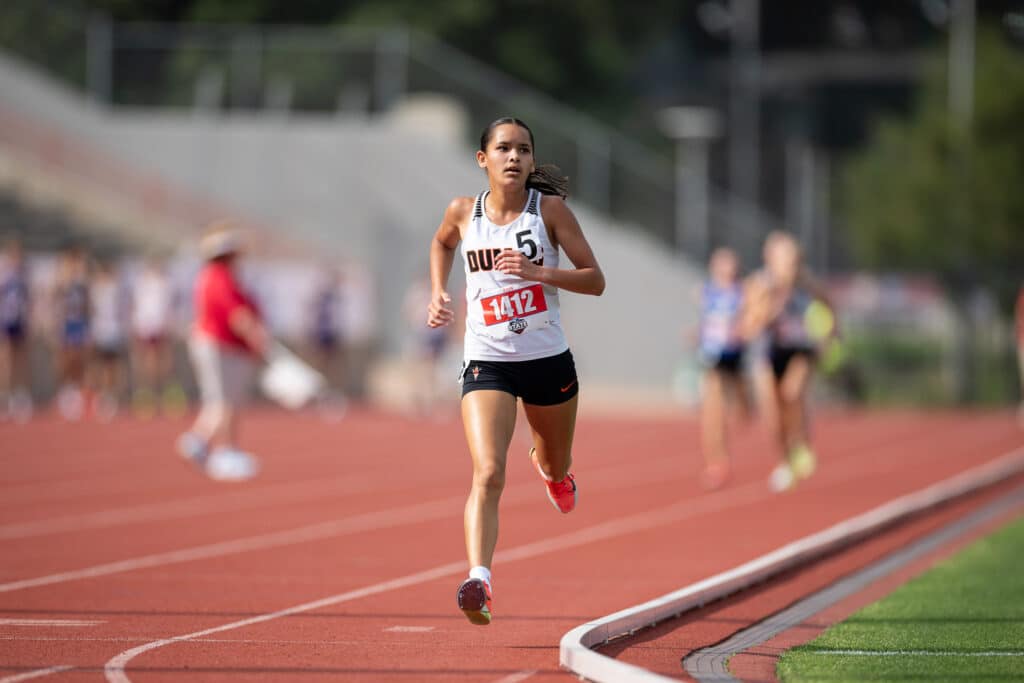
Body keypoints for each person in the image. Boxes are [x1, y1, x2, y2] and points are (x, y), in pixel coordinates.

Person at [427, 117, 605, 625]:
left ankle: (552, 472)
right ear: (482, 159)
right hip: (488, 361)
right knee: (487, 471)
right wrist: (438, 291)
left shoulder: (548, 211)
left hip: (548, 362)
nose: (514, 157)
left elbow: (595, 280)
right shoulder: (463, 212)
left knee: (554, 462)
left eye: (523, 150)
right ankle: (478, 579)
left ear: (531, 161)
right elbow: (441, 243)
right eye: (503, 148)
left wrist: (539, 272)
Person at [741, 231, 835, 492]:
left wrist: (830, 335)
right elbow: (748, 326)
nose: (791, 267)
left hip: (800, 349)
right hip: (767, 352)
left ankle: (802, 441)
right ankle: (785, 460)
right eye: (785, 261)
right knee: (773, 416)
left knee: (792, 392)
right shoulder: (759, 285)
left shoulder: (808, 284)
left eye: (795, 261)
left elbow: (828, 307)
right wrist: (770, 309)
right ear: (771, 260)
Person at [176, 222, 268, 479]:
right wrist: (256, 335)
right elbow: (236, 315)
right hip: (219, 345)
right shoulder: (218, 277)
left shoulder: (219, 276)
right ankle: (223, 452)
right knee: (224, 401)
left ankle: (199, 442)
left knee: (224, 400)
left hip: (224, 345)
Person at [695, 247, 750, 490]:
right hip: (713, 356)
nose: (726, 269)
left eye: (730, 264)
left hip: (736, 356)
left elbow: (750, 320)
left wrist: (743, 329)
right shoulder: (705, 292)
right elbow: (706, 322)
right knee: (712, 410)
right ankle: (717, 461)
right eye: (721, 264)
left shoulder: (743, 293)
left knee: (741, 410)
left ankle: (744, 408)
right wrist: (697, 334)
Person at [130, 256, 180, 417]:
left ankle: (166, 394)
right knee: (149, 362)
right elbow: (137, 306)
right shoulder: (142, 283)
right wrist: (137, 326)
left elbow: (172, 306)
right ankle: (148, 395)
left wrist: (172, 324)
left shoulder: (167, 283)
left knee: (166, 362)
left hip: (162, 326)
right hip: (147, 327)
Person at [51, 246, 91, 420]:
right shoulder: (62, 279)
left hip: (79, 322)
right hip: (65, 322)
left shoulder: (83, 281)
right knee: (64, 357)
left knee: (78, 357)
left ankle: (76, 390)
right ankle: (65, 390)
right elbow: (54, 298)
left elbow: (88, 304)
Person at [88, 259, 130, 420]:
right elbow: (92, 311)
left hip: (113, 331)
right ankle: (102, 395)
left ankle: (112, 396)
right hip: (100, 331)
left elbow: (123, 310)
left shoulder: (116, 289)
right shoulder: (96, 289)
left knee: (113, 366)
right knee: (100, 366)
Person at [0, 238, 33, 421]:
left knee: (21, 360)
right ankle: (5, 396)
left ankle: (20, 396)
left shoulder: (24, 275)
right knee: (5, 361)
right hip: (5, 321)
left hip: (20, 320)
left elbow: (29, 300)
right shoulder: (3, 275)